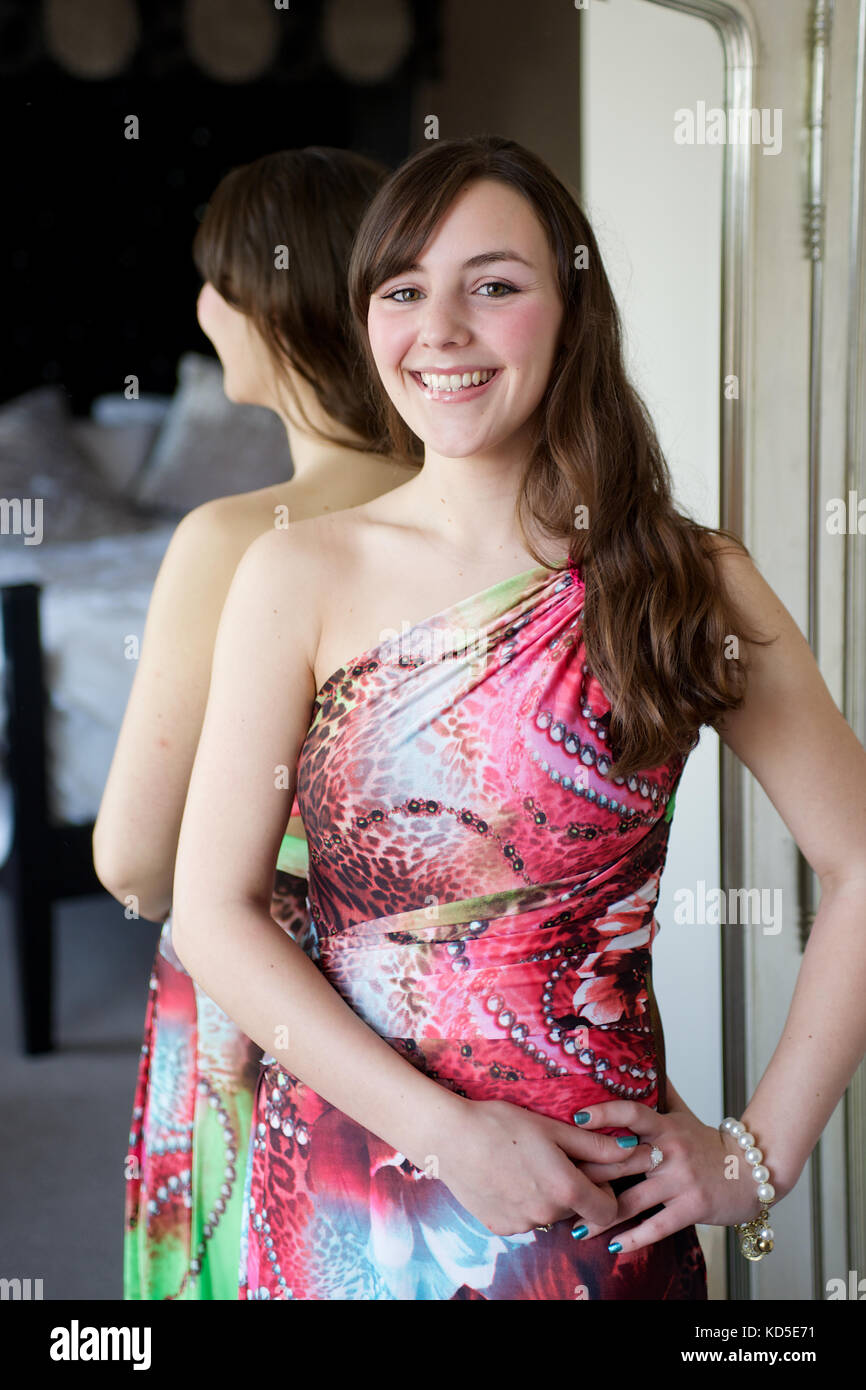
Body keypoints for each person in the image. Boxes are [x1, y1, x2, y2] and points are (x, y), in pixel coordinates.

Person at [171, 135, 866, 1300]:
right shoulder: (298, 572)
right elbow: (214, 912)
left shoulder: (686, 577)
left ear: (569, 310)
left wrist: (755, 1153)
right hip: (346, 1201)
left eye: (491, 285)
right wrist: (441, 1133)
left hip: (592, 1216)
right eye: (403, 290)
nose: (438, 329)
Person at [93, 147, 417, 1299]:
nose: (200, 308)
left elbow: (134, 860)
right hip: (445, 1007)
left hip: (269, 1010)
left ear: (275, 312)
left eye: (216, 283)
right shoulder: (475, 518)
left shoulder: (234, 541)